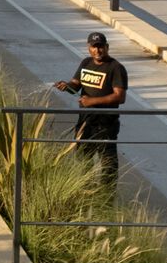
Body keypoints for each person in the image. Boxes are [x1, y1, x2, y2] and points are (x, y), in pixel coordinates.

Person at [52, 30, 127, 185]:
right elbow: (76, 85)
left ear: (107, 47)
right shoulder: (86, 63)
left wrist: (92, 101)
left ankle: (105, 200)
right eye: (94, 46)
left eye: (100, 46)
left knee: (108, 166)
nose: (97, 50)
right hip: (85, 122)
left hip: (106, 124)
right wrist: (66, 86)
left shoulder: (115, 68)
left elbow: (120, 97)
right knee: (82, 161)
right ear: (88, 48)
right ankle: (84, 193)